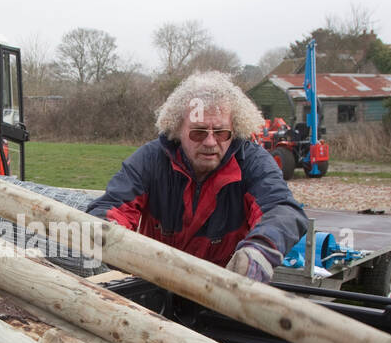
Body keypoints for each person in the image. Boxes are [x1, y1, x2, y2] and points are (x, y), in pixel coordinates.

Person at [87, 71, 308, 283]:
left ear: (235, 129)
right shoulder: (150, 161)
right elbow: (111, 207)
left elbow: (282, 211)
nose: (211, 142)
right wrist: (112, 240)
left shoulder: (253, 163)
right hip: (157, 285)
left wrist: (259, 250)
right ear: (176, 129)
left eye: (221, 133)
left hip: (227, 293)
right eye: (198, 132)